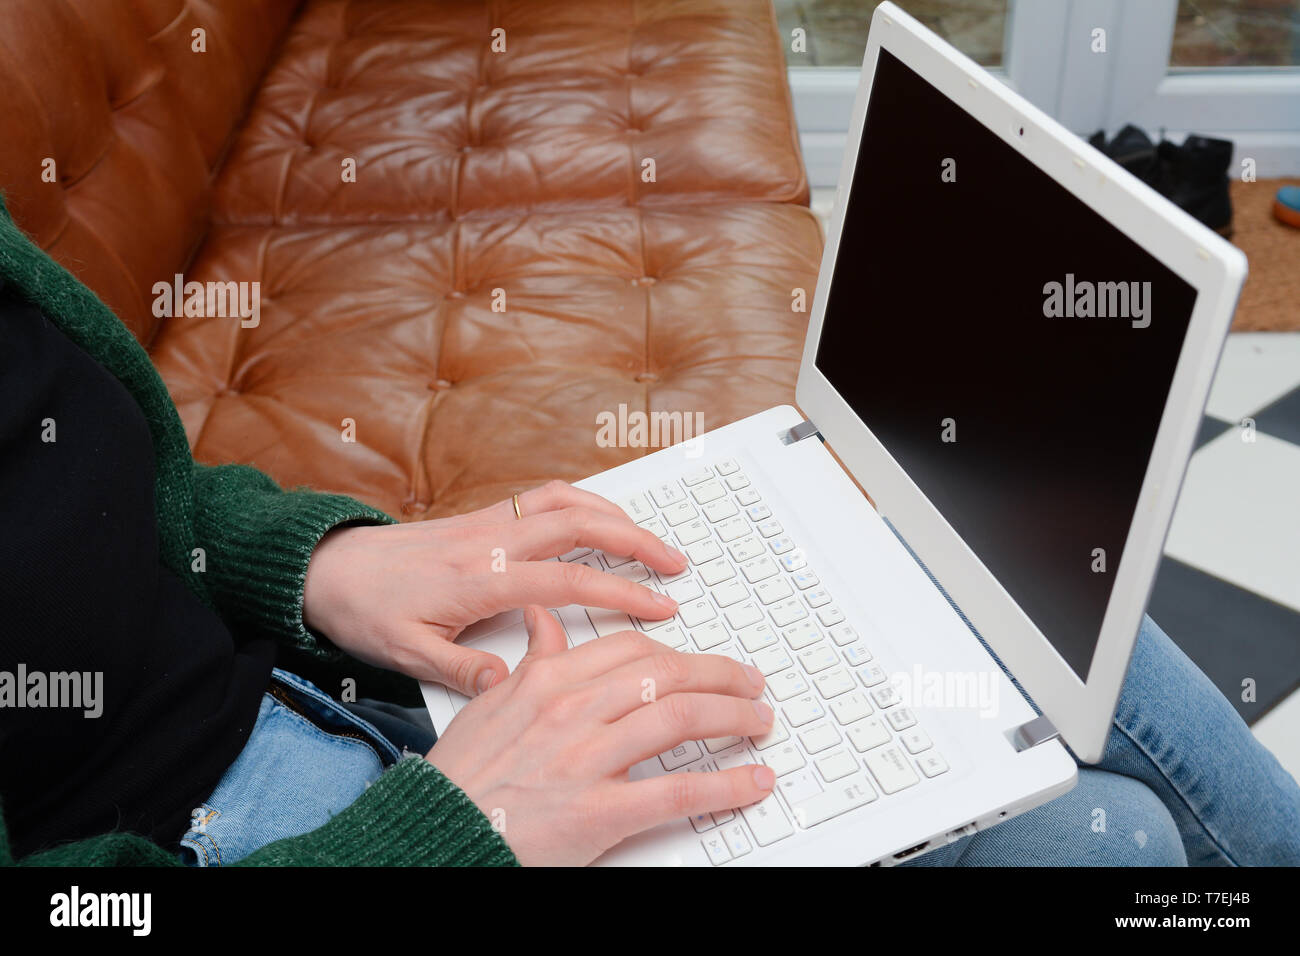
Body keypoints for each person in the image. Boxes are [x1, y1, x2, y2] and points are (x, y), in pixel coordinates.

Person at [1, 200, 1297, 868]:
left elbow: (112, 481)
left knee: (985, 597)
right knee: (1102, 836)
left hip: (319, 689)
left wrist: (314, 562)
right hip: (282, 835)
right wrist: (452, 837)